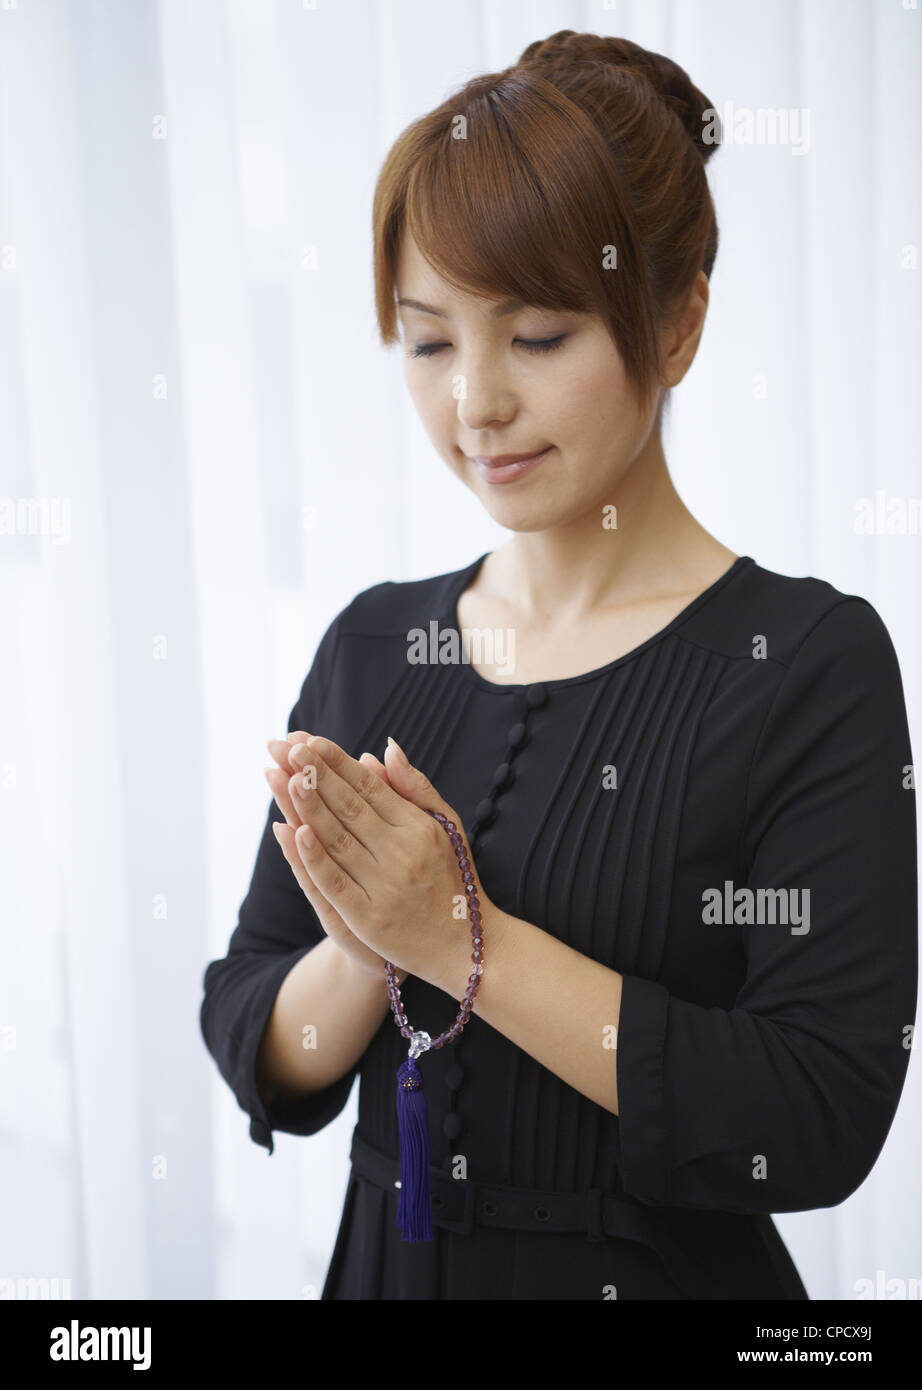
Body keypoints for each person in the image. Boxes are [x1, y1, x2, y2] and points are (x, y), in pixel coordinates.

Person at [199, 30, 917, 1299]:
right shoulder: (374, 645)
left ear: (678, 320)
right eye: (427, 342)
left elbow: (814, 1114)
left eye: (534, 336)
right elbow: (264, 1043)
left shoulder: (807, 666)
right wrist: (372, 945)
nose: (474, 402)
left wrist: (461, 938)